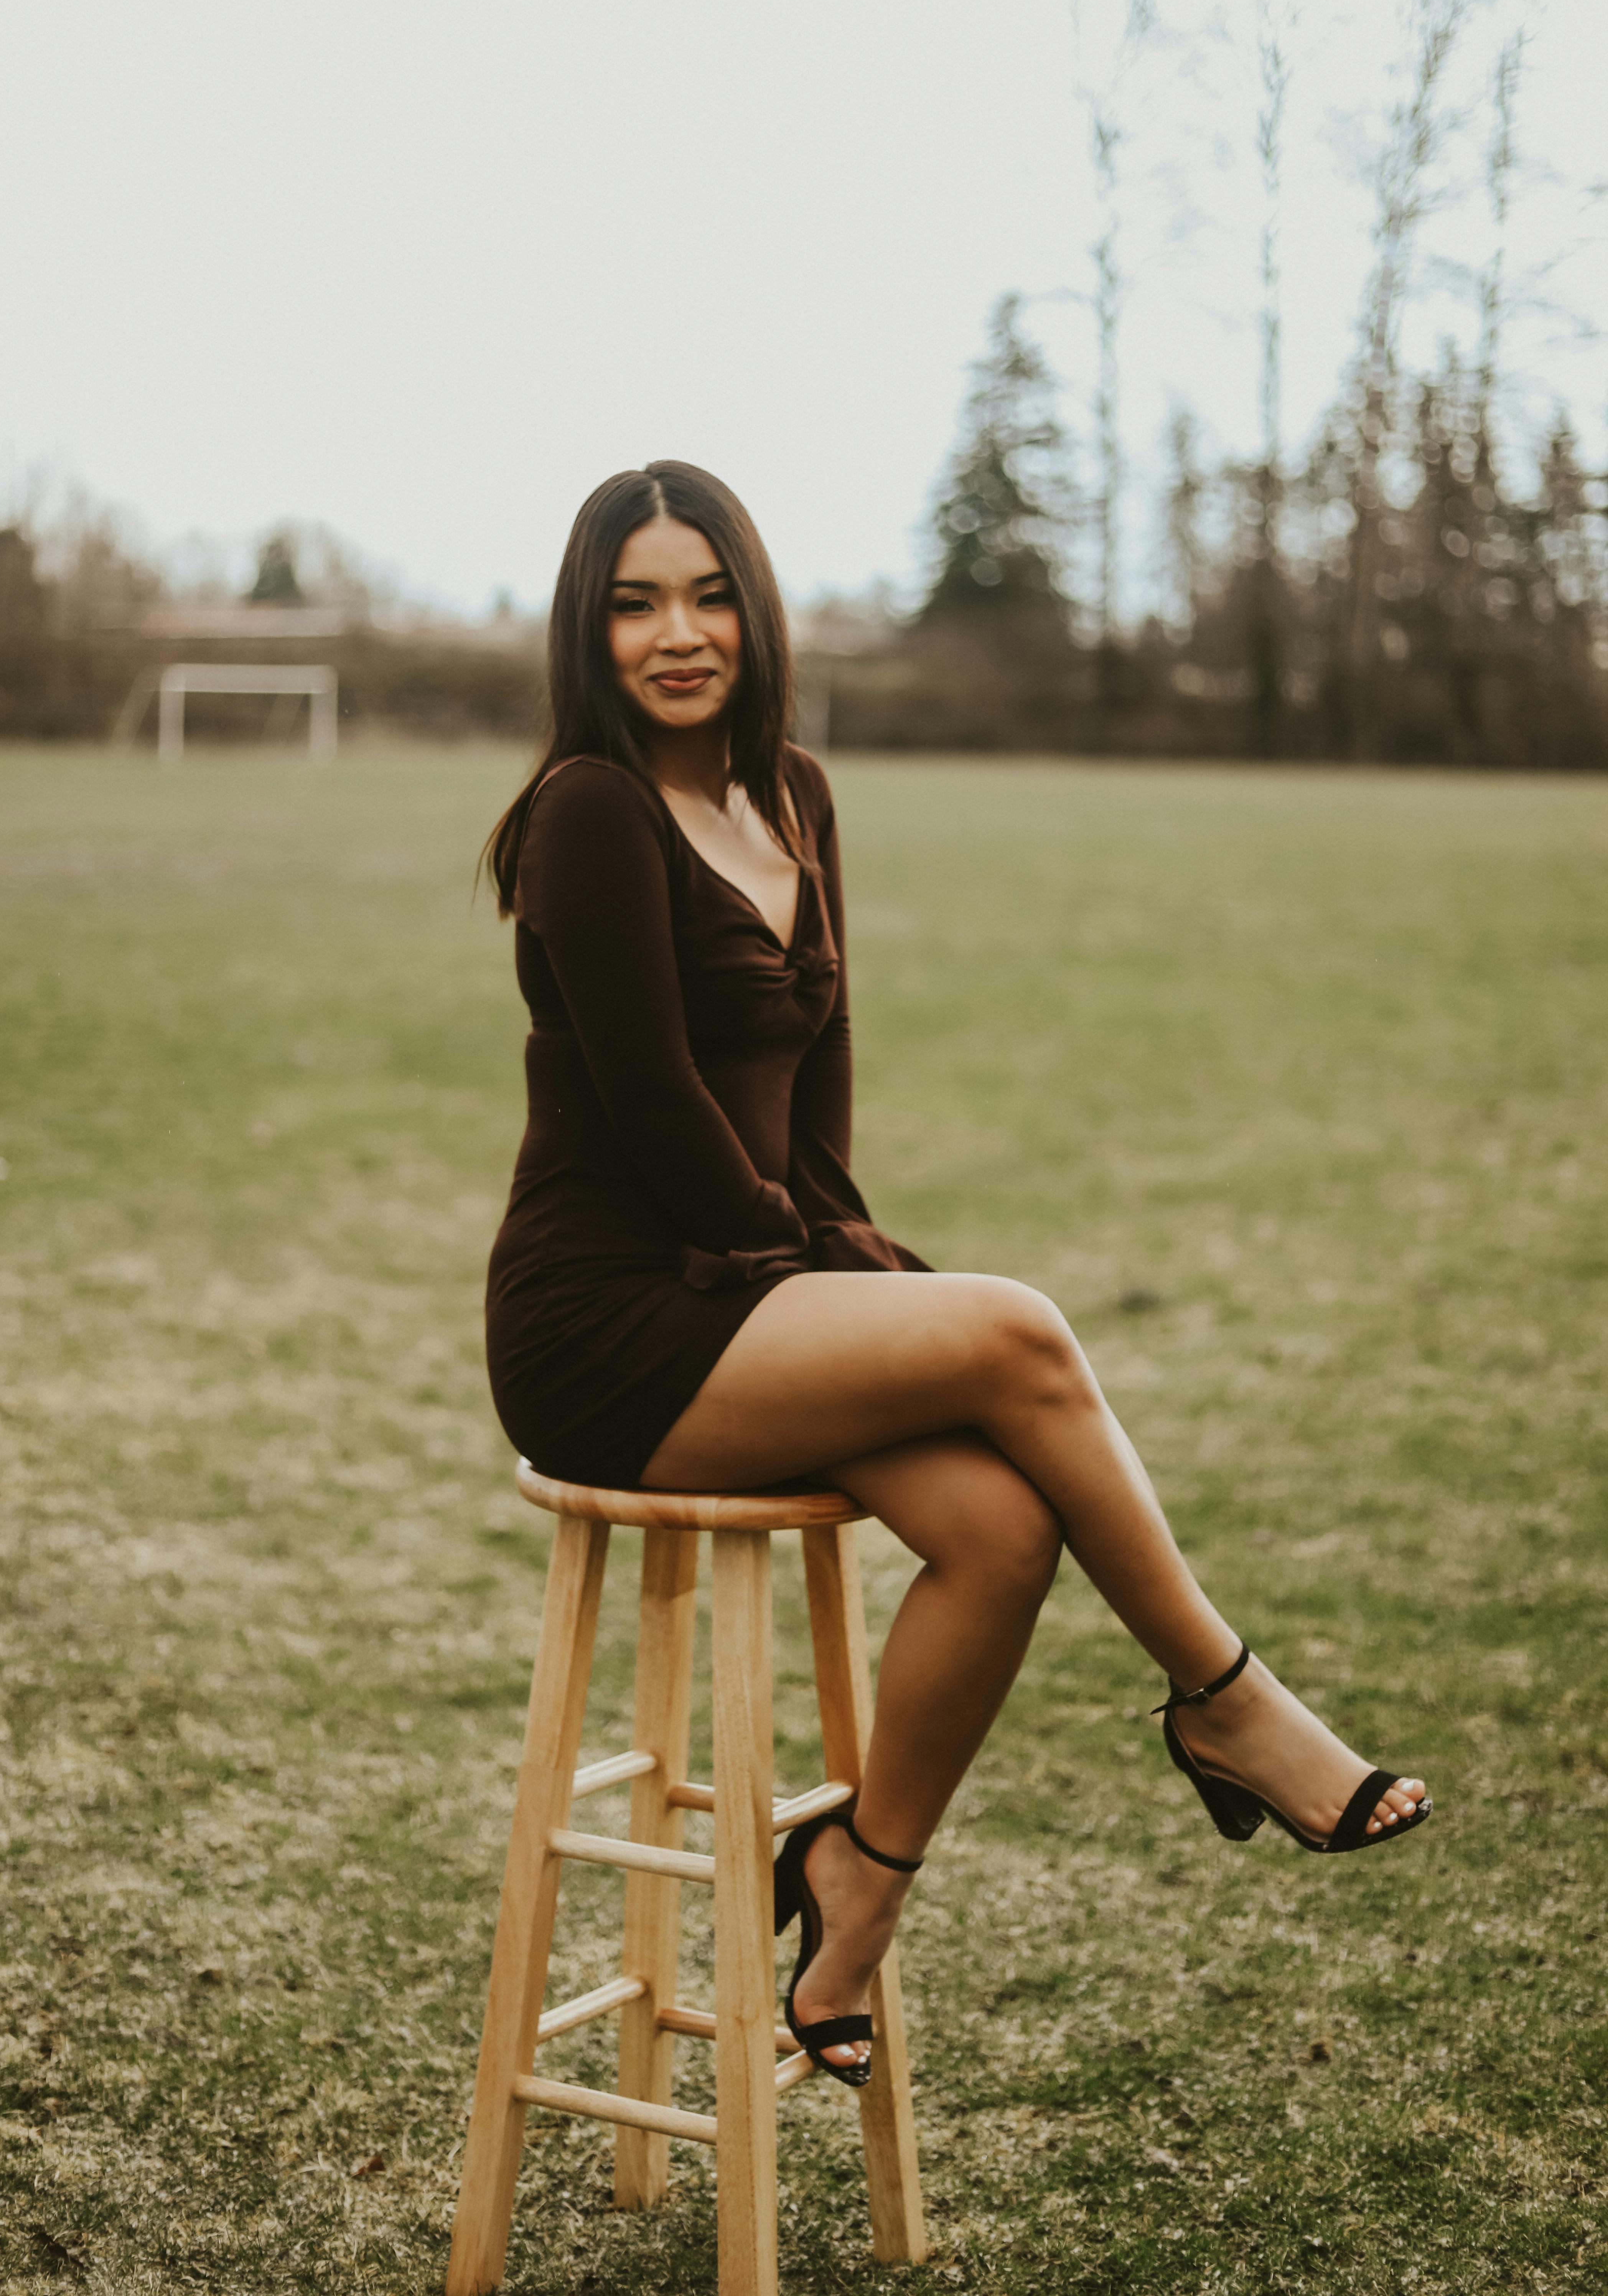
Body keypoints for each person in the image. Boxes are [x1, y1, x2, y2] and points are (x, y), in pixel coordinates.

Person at [483, 460, 1431, 2085]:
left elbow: (817, 1090)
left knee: (998, 1532)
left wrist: (843, 1253)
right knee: (1020, 1332)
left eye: (707, 593)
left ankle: (851, 1899)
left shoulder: (793, 792)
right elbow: (656, 1112)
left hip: (747, 1286)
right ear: (590, 628)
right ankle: (1224, 1700)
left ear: (752, 607)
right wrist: (833, 1279)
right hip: (613, 1320)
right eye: (635, 602)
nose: (677, 633)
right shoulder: (589, 810)